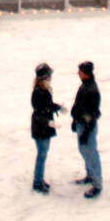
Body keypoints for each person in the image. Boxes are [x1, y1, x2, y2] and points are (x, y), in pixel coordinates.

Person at [31, 63, 65, 193]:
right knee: (42, 154)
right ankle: (37, 182)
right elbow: (39, 110)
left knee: (42, 154)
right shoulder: (39, 92)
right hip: (41, 128)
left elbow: (47, 105)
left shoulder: (43, 89)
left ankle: (39, 179)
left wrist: (57, 107)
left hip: (42, 127)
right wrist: (48, 123)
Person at [71, 61, 102, 198]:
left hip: (86, 127)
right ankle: (90, 175)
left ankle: (97, 184)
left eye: (80, 71)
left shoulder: (92, 90)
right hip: (81, 124)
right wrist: (75, 120)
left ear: (86, 73)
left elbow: (92, 114)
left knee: (91, 154)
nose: (78, 73)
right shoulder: (85, 86)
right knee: (84, 151)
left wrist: (86, 131)